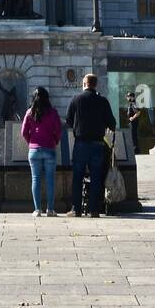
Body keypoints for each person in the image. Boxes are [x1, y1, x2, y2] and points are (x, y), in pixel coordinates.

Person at [65, 73, 117, 218]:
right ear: (95, 85)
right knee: (96, 177)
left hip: (81, 144)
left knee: (77, 177)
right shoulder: (102, 101)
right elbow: (112, 123)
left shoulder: (76, 99)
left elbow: (68, 121)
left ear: (84, 84)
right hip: (98, 145)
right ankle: (94, 210)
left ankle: (76, 209)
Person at [20, 86, 62, 217]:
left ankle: (37, 209)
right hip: (49, 148)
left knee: (36, 179)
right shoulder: (53, 112)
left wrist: (31, 142)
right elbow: (58, 131)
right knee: (50, 180)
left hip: (34, 150)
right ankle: (50, 209)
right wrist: (54, 141)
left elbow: (23, 132)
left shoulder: (29, 112)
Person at [125, 91, 140, 156]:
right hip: (132, 123)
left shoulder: (134, 103)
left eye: (128, 96)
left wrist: (132, 118)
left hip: (134, 123)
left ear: (132, 97)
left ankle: (135, 150)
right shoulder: (131, 104)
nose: (127, 98)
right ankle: (134, 150)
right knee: (132, 136)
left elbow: (138, 112)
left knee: (133, 136)